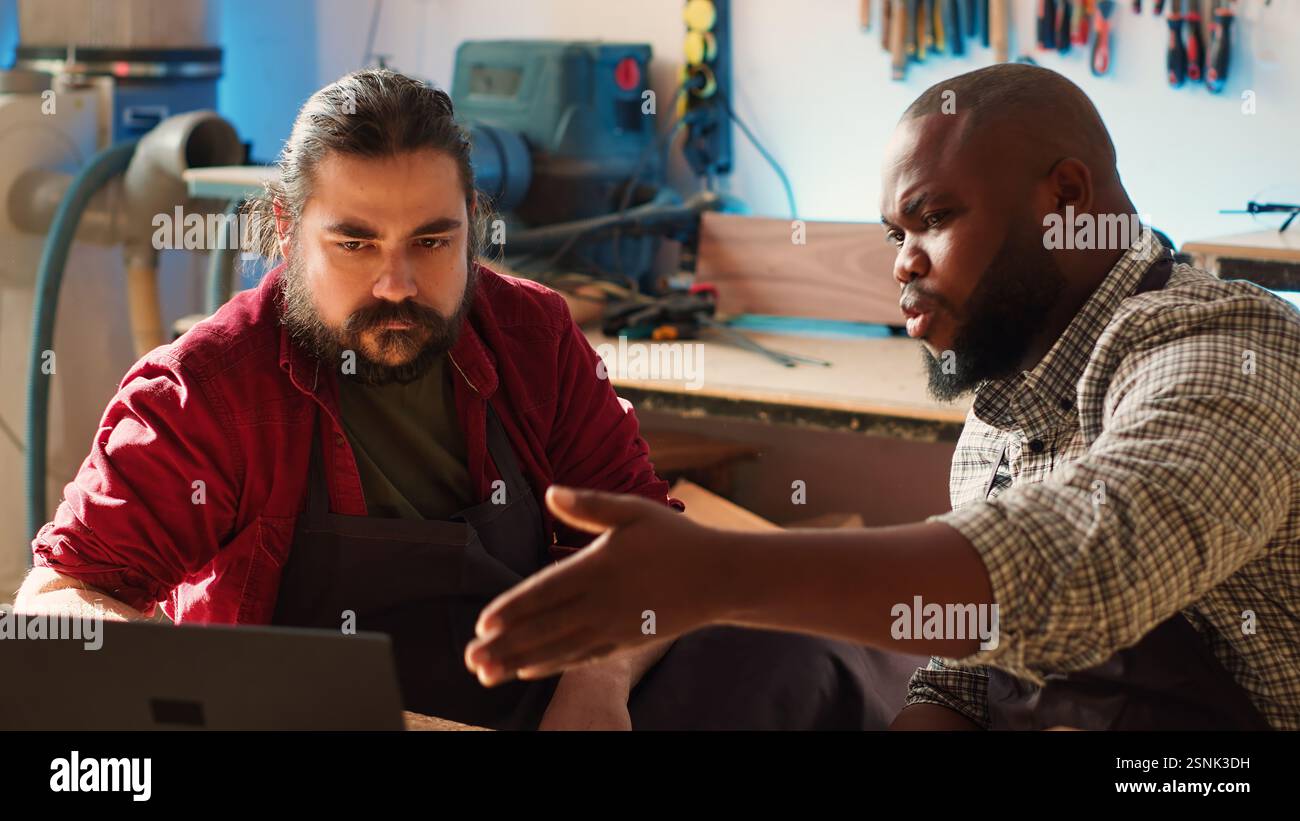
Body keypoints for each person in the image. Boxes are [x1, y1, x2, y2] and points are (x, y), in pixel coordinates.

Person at [465, 64, 1300, 731]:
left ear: (1067, 199)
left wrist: (718, 573)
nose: (902, 263)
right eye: (895, 236)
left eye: (933, 218)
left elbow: (1090, 560)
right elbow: (971, 670)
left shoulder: (1224, 349)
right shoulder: (1001, 411)